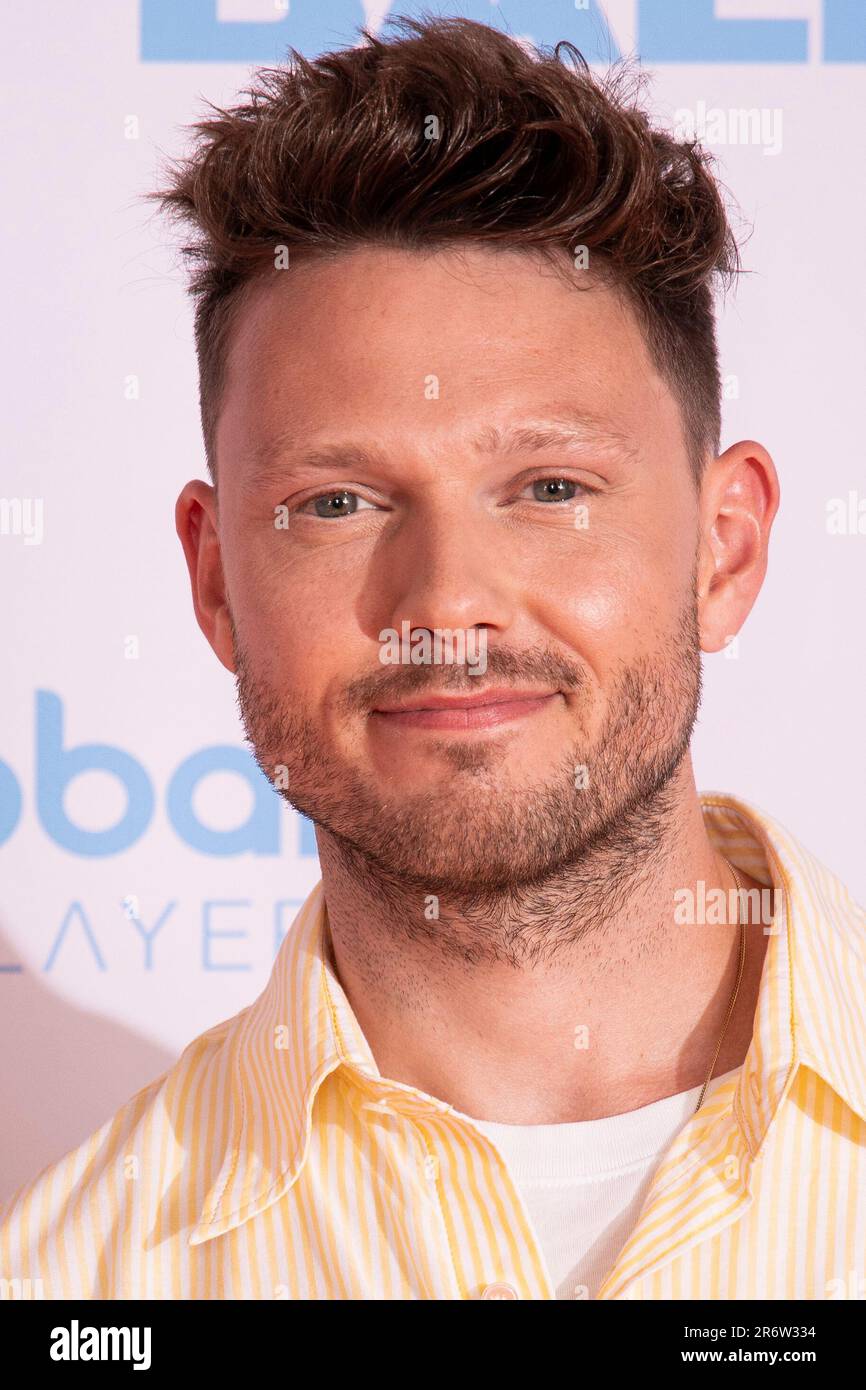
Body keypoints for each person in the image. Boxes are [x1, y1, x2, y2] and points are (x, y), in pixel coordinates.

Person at [2, 16, 864, 1302]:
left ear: (721, 552)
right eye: (338, 503)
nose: (447, 605)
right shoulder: (76, 1286)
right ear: (215, 579)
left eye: (550, 484)